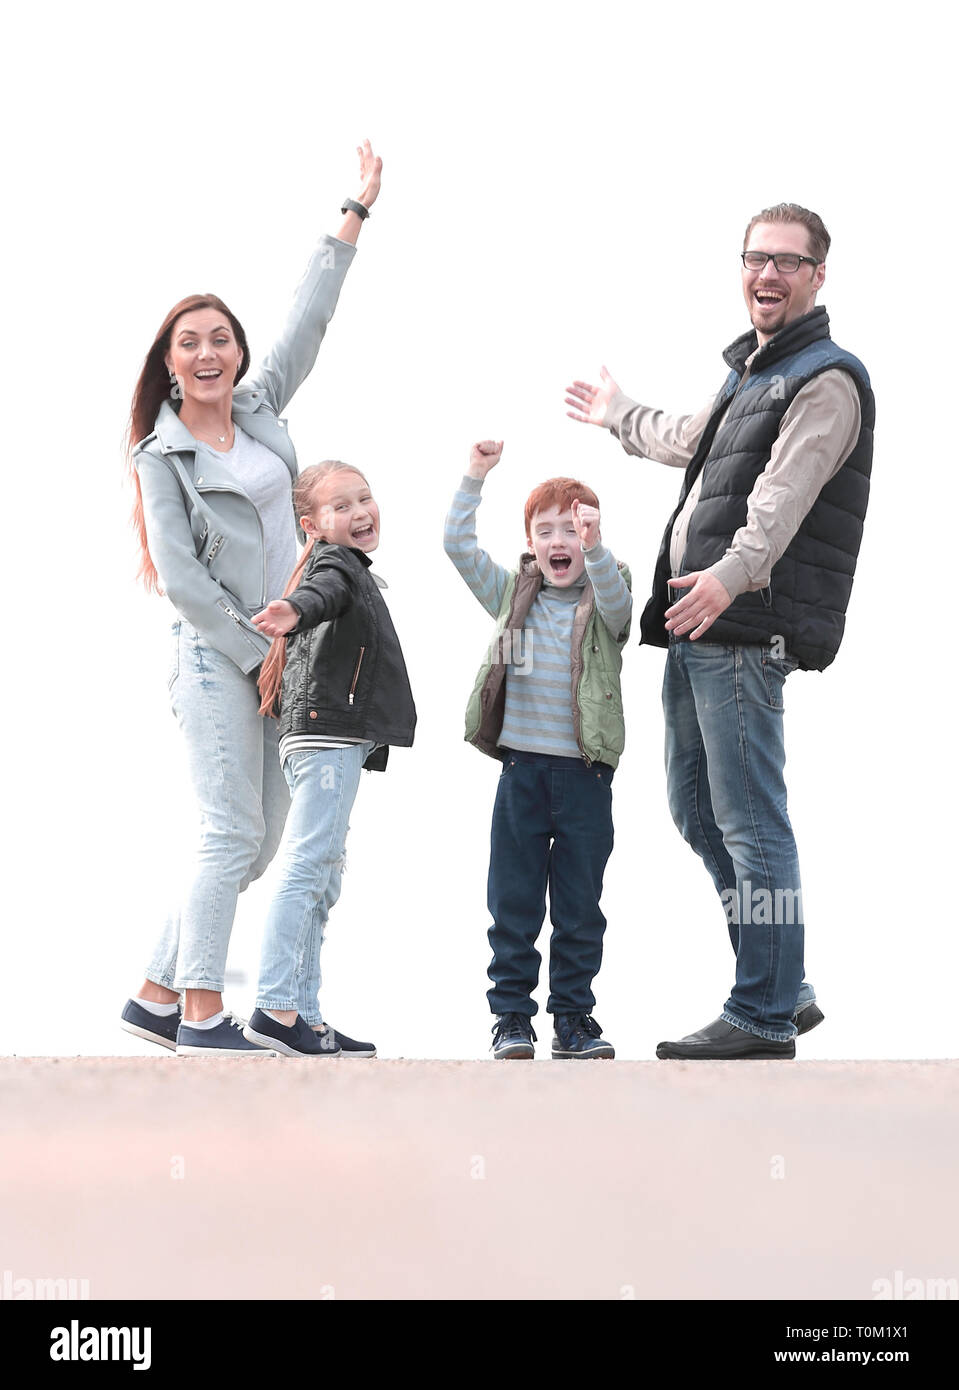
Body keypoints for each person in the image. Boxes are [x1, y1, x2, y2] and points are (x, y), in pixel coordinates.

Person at [566, 202, 875, 1060]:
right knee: (697, 808)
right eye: (754, 259)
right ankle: (781, 981)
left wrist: (728, 577)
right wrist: (618, 412)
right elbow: (689, 442)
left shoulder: (825, 380)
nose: (766, 274)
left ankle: (762, 1010)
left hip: (743, 622)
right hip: (699, 622)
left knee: (750, 821)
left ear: (818, 275)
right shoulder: (751, 376)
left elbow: (780, 501)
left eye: (786, 261)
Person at [120, 142, 382, 1058]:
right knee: (229, 831)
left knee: (257, 844)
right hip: (217, 660)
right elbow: (183, 581)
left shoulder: (262, 407)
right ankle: (197, 1013)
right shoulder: (162, 459)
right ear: (168, 360)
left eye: (219, 338)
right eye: (187, 343)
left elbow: (306, 321)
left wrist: (349, 220)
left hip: (283, 655)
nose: (207, 353)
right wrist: (252, 652)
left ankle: (154, 993)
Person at [444, 440, 632, 1060]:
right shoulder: (511, 594)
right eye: (546, 529)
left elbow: (623, 610)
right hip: (522, 773)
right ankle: (511, 1020)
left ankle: (574, 1021)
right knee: (514, 901)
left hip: (584, 778)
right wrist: (475, 476)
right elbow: (458, 548)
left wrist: (598, 544)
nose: (561, 540)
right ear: (531, 542)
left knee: (580, 907)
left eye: (573, 530)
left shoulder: (606, 595)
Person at [230, 462, 416, 1059]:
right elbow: (323, 594)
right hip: (327, 738)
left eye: (366, 497)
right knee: (309, 867)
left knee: (322, 875)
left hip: (323, 737)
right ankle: (277, 1007)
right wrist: (296, 610)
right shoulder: (334, 566)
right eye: (342, 507)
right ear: (312, 526)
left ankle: (304, 1017)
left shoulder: (345, 567)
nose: (361, 512)